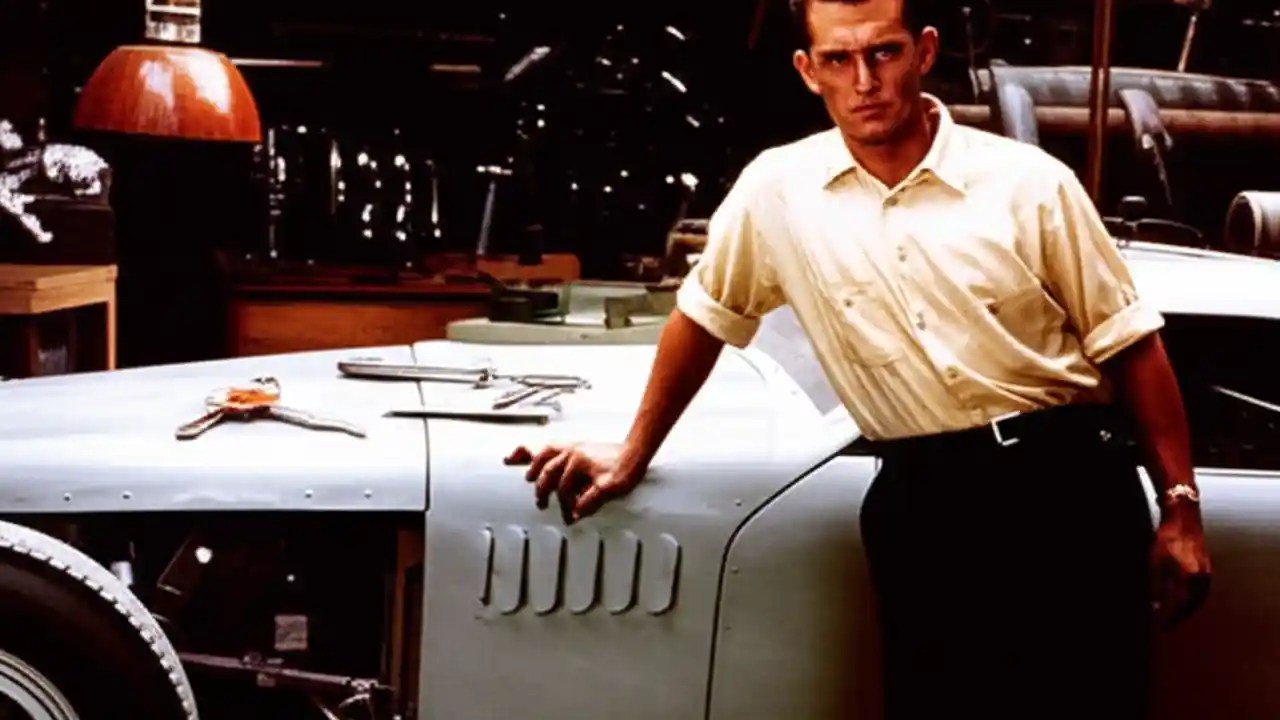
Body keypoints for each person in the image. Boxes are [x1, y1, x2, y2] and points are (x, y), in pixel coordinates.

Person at [505, 0, 1212, 715]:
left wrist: (1181, 509)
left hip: (1065, 490)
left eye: (884, 53)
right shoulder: (776, 191)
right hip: (922, 501)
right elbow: (702, 317)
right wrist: (633, 450)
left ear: (925, 52)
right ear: (808, 71)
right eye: (839, 60)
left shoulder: (1030, 183)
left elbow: (1132, 345)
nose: (864, 80)